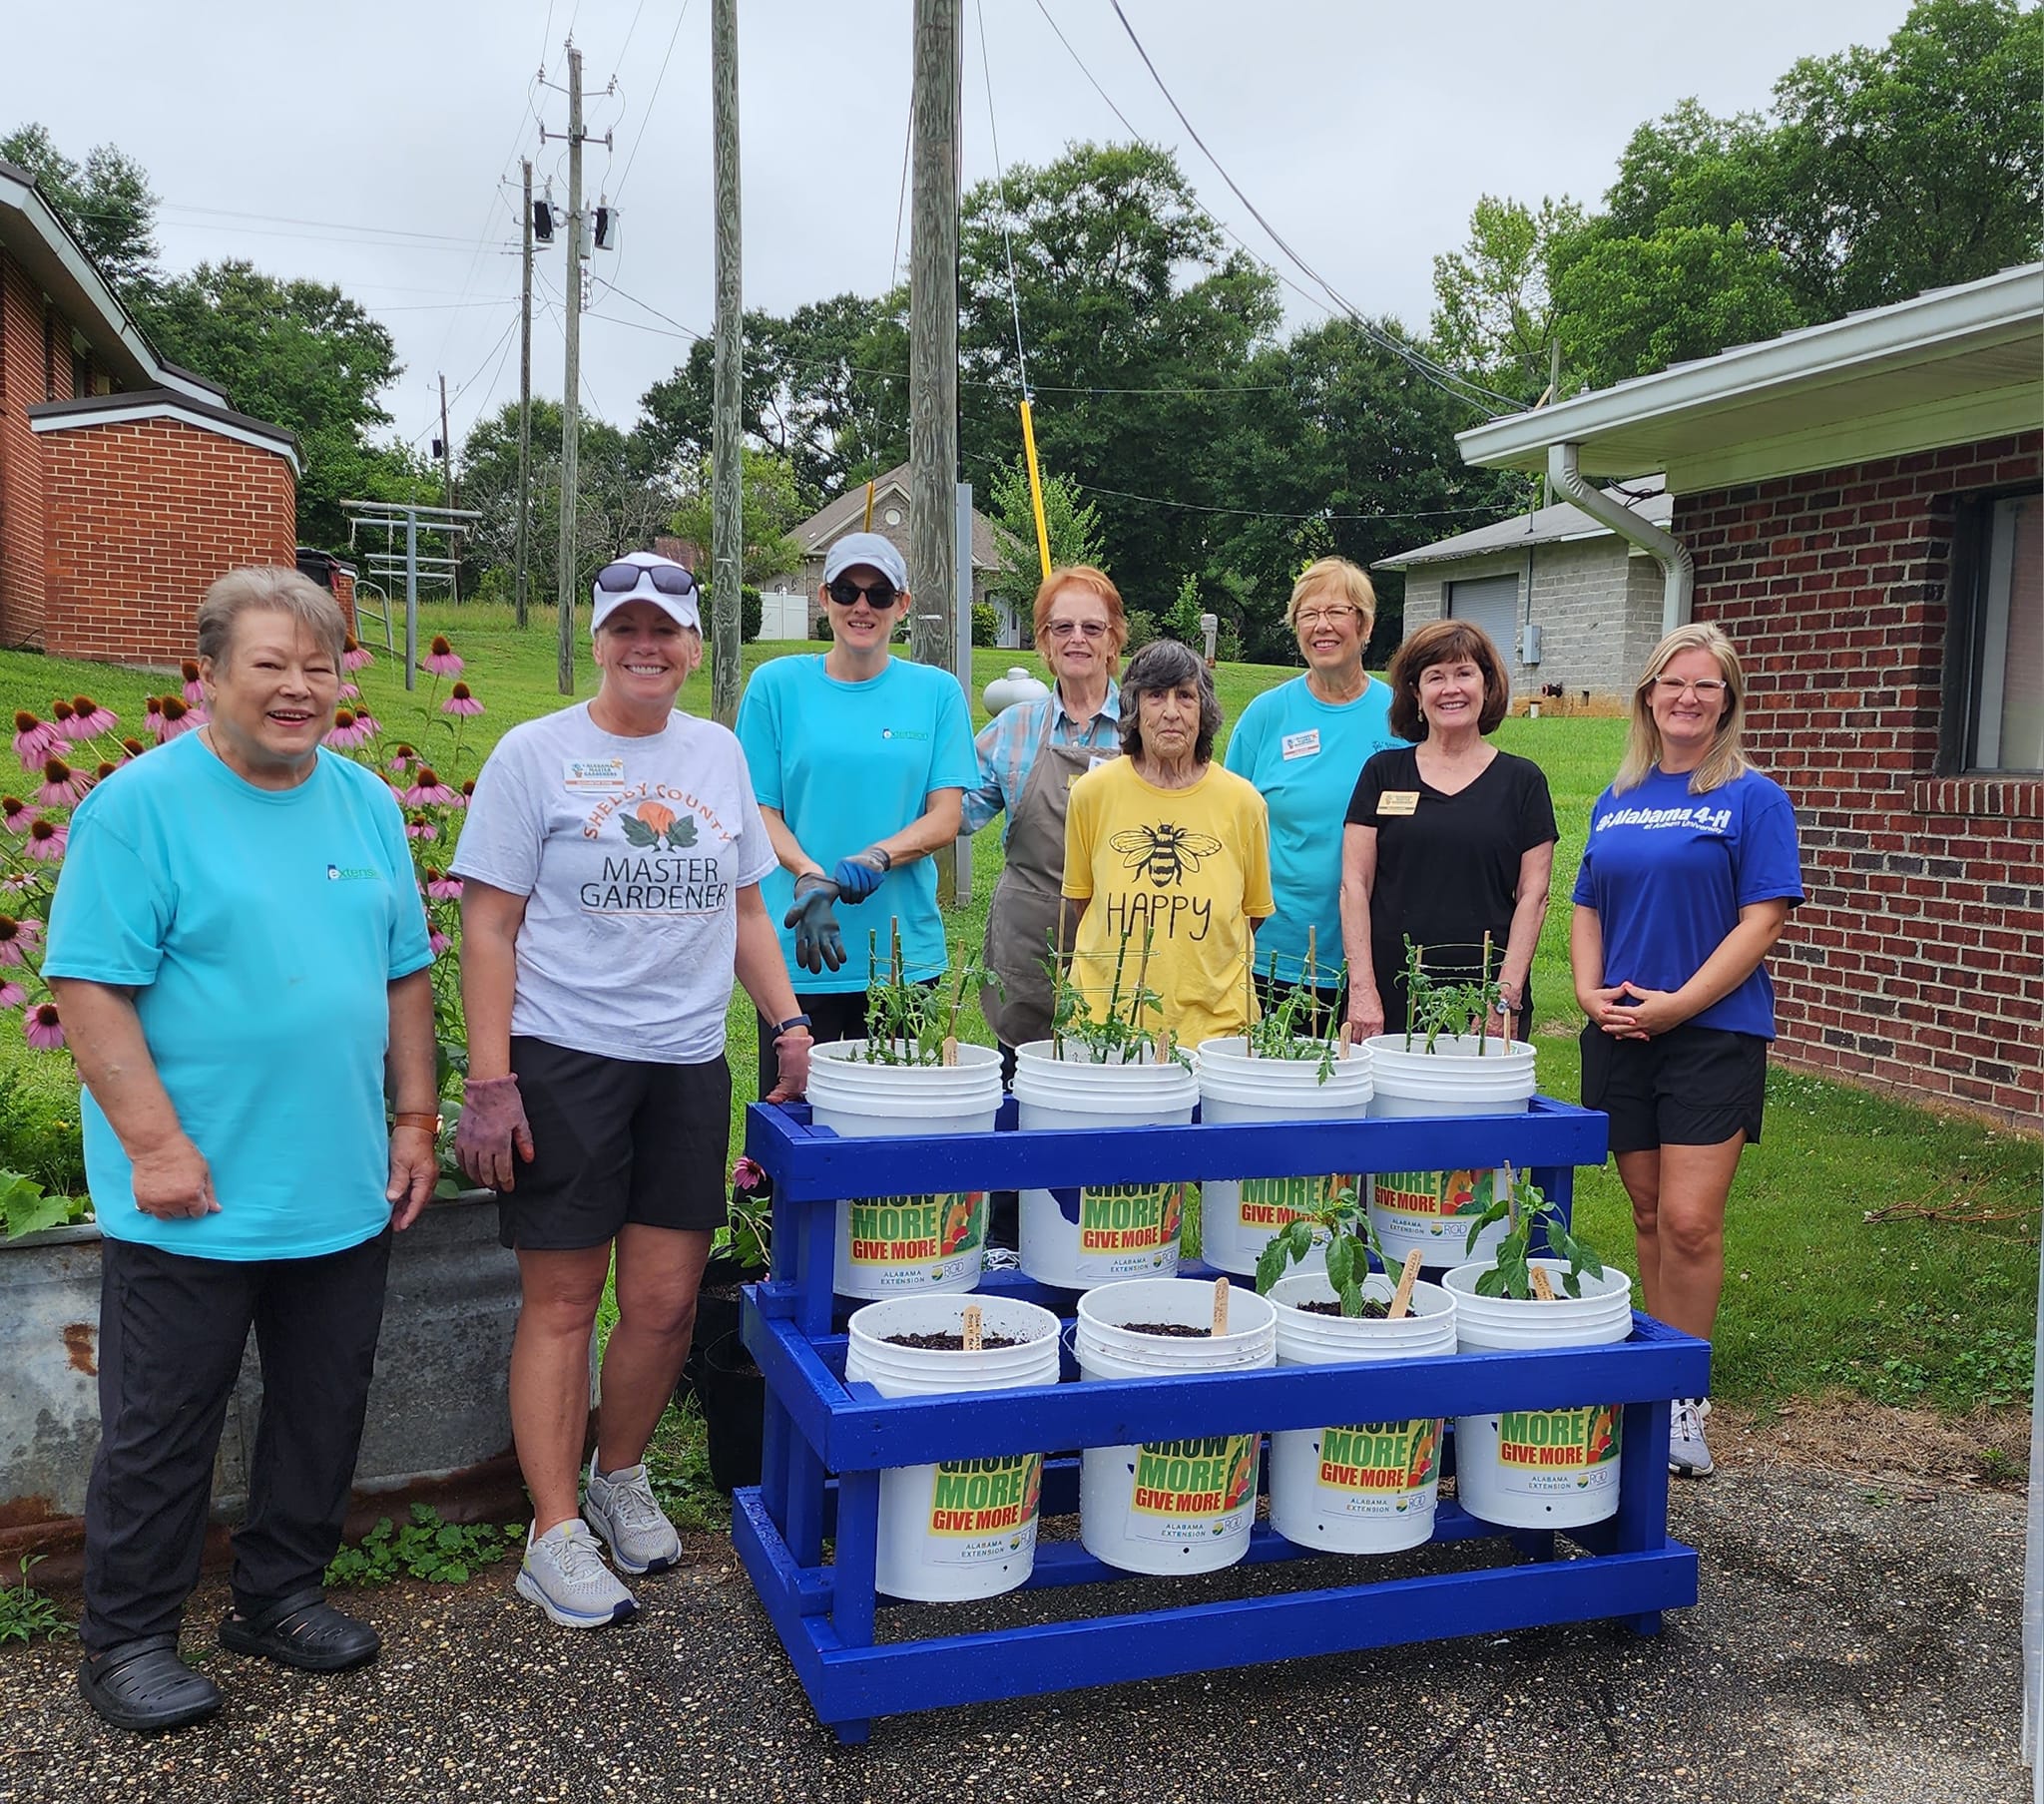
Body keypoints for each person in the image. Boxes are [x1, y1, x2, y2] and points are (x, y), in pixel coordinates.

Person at [46, 567, 439, 1733]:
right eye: (269, 663)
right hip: (191, 1193)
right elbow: (89, 986)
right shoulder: (138, 808)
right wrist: (154, 1144)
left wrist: (414, 1119)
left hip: (339, 1180)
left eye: (318, 666)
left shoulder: (365, 802)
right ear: (210, 674)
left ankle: (277, 1593)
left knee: (323, 1403)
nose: (297, 688)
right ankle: (125, 1638)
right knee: (164, 1422)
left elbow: (405, 971)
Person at [452, 550, 812, 1629]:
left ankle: (618, 1474)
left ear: (695, 643)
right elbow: (488, 922)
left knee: (660, 1300)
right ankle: (551, 1529)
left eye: (666, 630)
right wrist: (488, 1079)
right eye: (626, 628)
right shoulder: (534, 754)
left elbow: (747, 908)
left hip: (685, 1058)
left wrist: (788, 1021)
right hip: (565, 1057)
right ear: (598, 635)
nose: (645, 647)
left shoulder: (714, 750)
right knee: (563, 1298)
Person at [1570, 624, 1800, 1480]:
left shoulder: (1751, 797)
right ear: (1649, 696)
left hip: (1712, 1032)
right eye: (1672, 683)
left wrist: (1681, 1007)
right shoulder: (1618, 795)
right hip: (1624, 1029)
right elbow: (1588, 903)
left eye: (1705, 685)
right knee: (1644, 1212)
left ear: (1727, 700)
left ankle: (1683, 1406)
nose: (1687, 698)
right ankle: (1653, 1383)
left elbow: (1763, 919)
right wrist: (1591, 994)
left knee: (1691, 1222)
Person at [735, 531, 976, 1094]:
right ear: (824, 600)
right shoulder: (776, 687)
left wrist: (878, 856)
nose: (861, 607)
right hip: (801, 949)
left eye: (878, 595)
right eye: (846, 591)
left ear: (903, 606)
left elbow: (946, 815)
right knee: (797, 1119)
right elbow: (758, 810)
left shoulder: (937, 694)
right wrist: (808, 873)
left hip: (901, 955)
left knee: (894, 1132)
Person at [1341, 619, 1557, 1042]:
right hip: (1390, 994)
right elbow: (1354, 884)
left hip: (1487, 998)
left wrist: (1504, 996)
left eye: (1464, 673)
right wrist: (1363, 988)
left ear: (1487, 685)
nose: (1451, 688)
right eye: (1435, 677)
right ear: (1416, 693)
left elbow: (1535, 895)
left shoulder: (1523, 782)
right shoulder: (1382, 774)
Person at [1062, 638, 1273, 1051]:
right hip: (1105, 1025)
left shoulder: (1243, 802)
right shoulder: (1092, 794)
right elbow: (1084, 902)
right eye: (1155, 696)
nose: (1172, 712)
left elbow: (1251, 915)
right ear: (1134, 711)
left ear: (1204, 712)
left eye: (1186, 697)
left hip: (1215, 1031)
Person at [1224, 557, 1403, 1026]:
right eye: (1308, 614)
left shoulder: (1401, 716)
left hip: (1374, 956)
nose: (1322, 626)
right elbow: (1227, 827)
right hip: (1273, 950)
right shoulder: (1266, 716)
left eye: (1337, 612)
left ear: (1364, 625)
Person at [961, 565, 1126, 1074]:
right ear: (1045, 643)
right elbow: (957, 815)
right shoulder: (1012, 728)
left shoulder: (1144, 729)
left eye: (1092, 628)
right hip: (1028, 937)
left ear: (1113, 641)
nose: (1077, 639)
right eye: (1062, 628)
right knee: (1022, 1086)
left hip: (1116, 934)